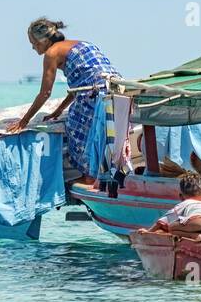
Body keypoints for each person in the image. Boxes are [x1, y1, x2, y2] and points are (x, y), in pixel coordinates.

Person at [8, 17, 120, 186]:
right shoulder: (81, 44)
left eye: (34, 43)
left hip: (96, 94)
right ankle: (101, 171)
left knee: (74, 125)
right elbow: (81, 83)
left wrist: (24, 121)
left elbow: (45, 93)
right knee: (83, 121)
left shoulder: (51, 53)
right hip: (116, 89)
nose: (33, 47)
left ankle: (88, 176)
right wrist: (59, 109)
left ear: (44, 40)